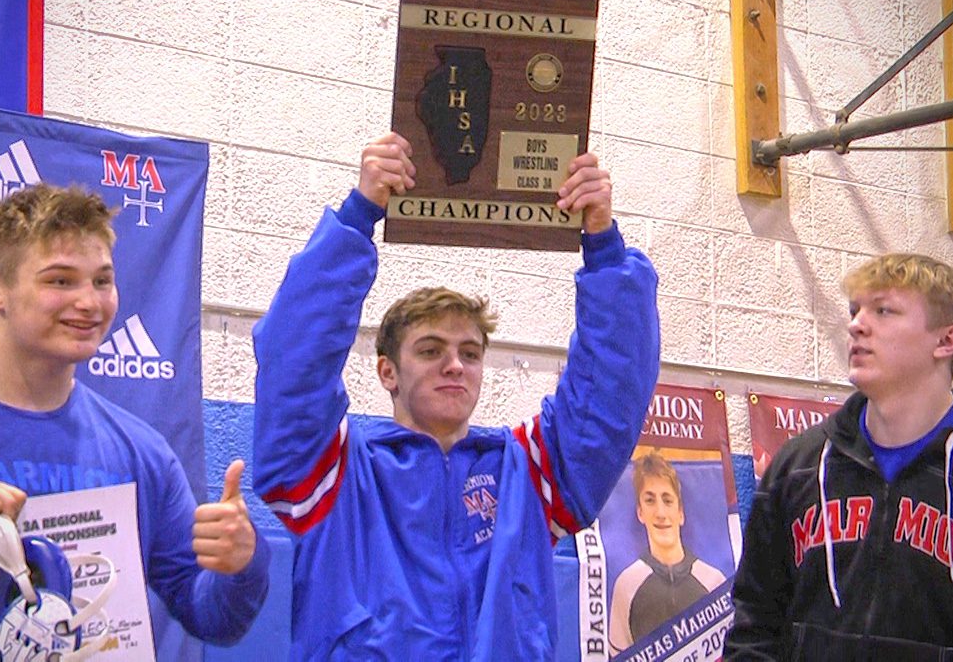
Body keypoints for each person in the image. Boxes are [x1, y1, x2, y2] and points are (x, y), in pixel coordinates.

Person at [252, 131, 661, 659]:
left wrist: (604, 247)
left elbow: (614, 389)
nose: (454, 365)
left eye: (470, 352)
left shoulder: (529, 473)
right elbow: (293, 358)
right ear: (387, 372)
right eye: (430, 350)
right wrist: (358, 215)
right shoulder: (335, 473)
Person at [0, 183, 270, 647]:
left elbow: (213, 618)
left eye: (102, 280)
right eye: (60, 280)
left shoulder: (143, 454)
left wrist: (242, 563)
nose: (90, 302)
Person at [725, 253, 953, 659]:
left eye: (884, 311)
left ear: (946, 340)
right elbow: (755, 623)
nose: (856, 324)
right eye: (856, 310)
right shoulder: (798, 465)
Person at [609, 452, 726, 654]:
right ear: (640, 513)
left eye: (667, 500)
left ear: (680, 513)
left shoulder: (714, 582)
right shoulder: (626, 584)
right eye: (650, 500)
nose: (661, 513)